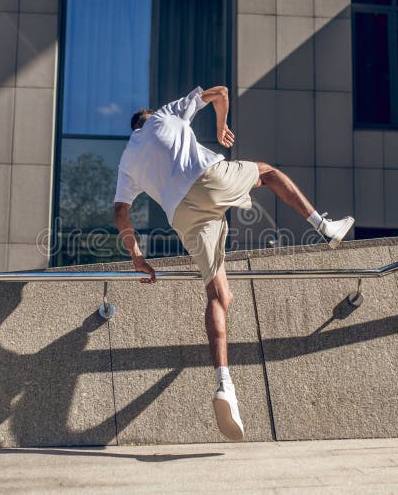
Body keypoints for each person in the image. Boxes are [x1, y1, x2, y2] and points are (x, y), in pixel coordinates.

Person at [113, 86, 354, 441]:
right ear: (148, 118)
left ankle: (224, 383)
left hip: (182, 214)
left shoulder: (127, 160)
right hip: (208, 180)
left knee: (218, 295)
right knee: (268, 174)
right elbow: (220, 92)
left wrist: (137, 257)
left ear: (133, 129)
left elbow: (121, 211)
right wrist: (222, 126)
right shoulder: (164, 114)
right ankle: (325, 227)